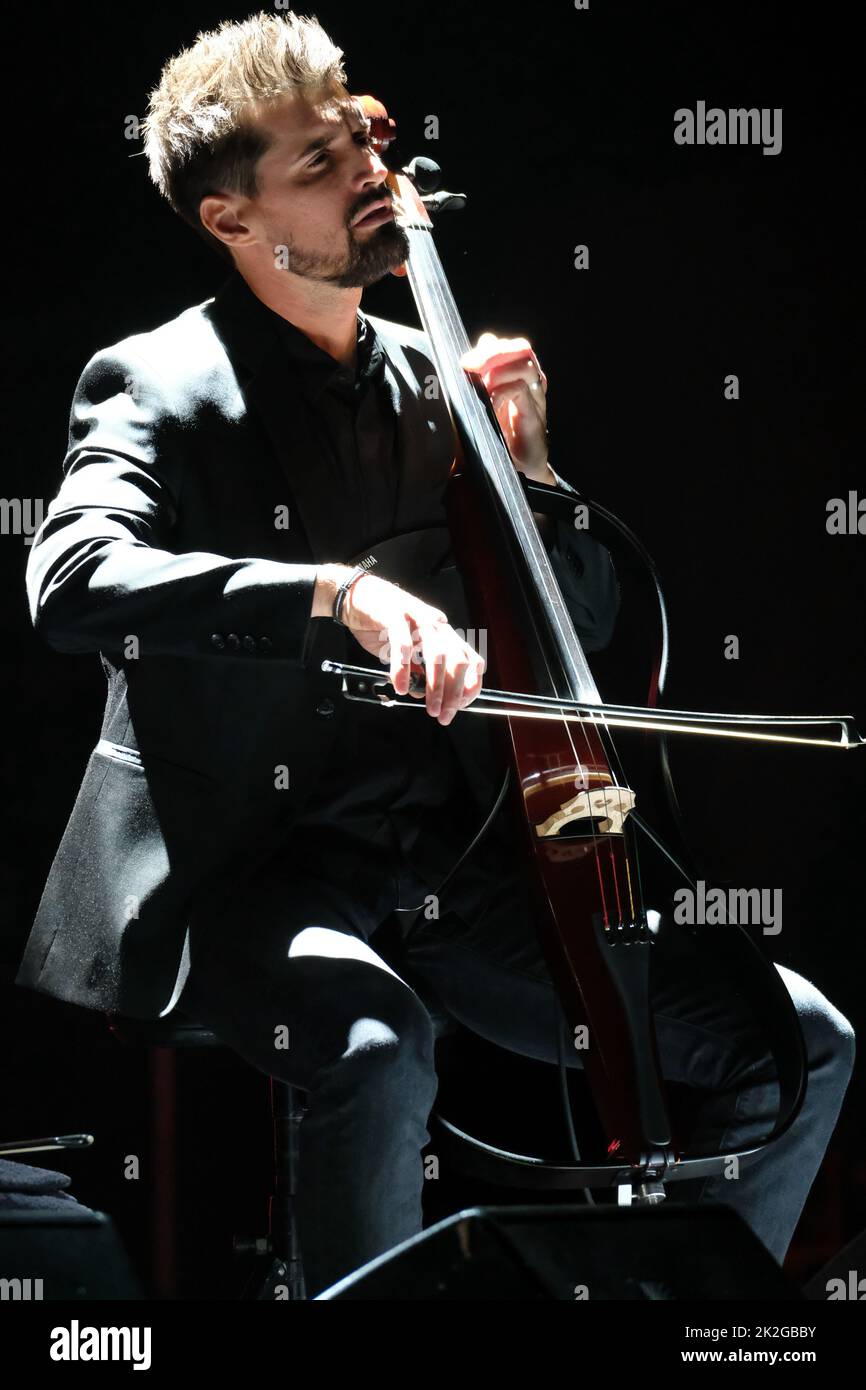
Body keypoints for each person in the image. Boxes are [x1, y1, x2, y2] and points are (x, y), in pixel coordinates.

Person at [16, 11, 854, 1298]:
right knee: (373, 1042)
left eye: (358, 141)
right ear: (232, 220)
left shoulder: (432, 375)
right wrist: (333, 592)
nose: (365, 175)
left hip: (448, 874)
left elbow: (562, 628)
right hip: (240, 872)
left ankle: (698, 1322)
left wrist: (530, 474)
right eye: (314, 164)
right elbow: (74, 581)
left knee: (798, 1040)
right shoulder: (154, 381)